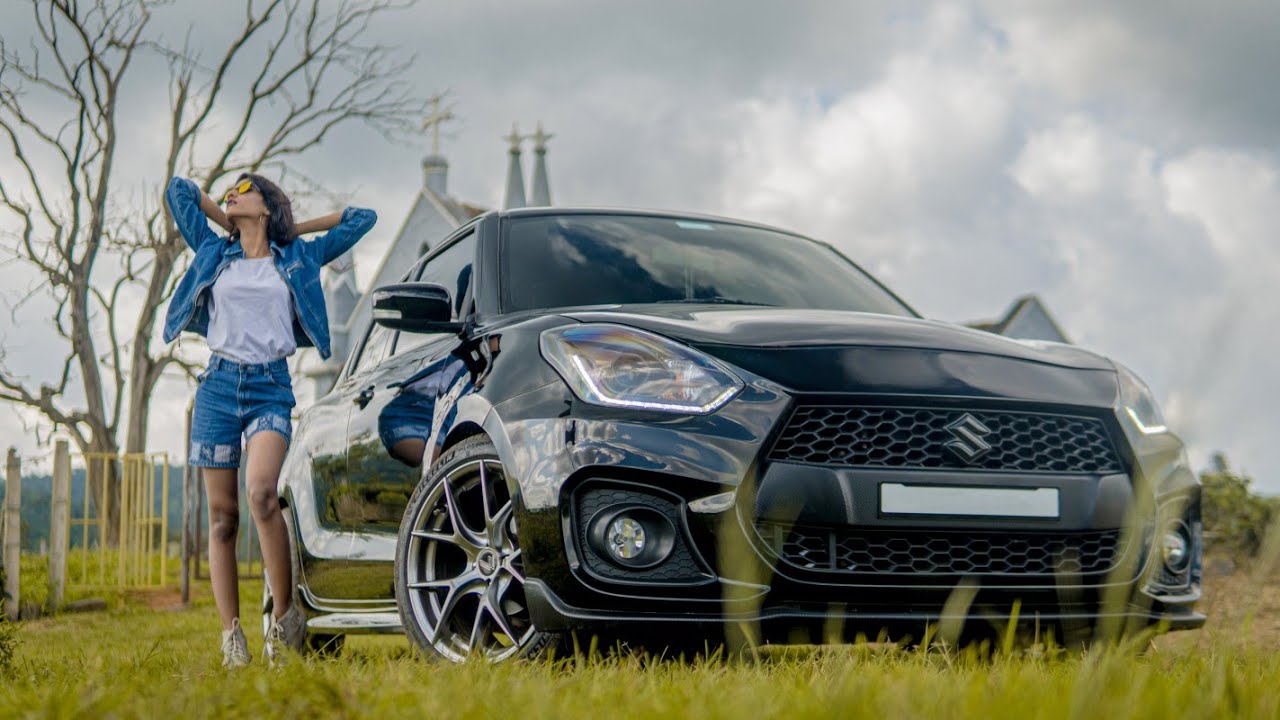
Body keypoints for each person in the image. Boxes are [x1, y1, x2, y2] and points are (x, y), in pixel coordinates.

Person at [162, 174, 376, 667]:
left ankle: (283, 622)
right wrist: (228, 217)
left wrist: (289, 228)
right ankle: (232, 637)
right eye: (229, 191)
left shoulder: (297, 257)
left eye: (243, 189)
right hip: (217, 388)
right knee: (223, 519)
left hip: (270, 390)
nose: (232, 194)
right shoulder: (214, 250)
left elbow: (361, 219)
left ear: (266, 205)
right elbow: (179, 190)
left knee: (261, 494)